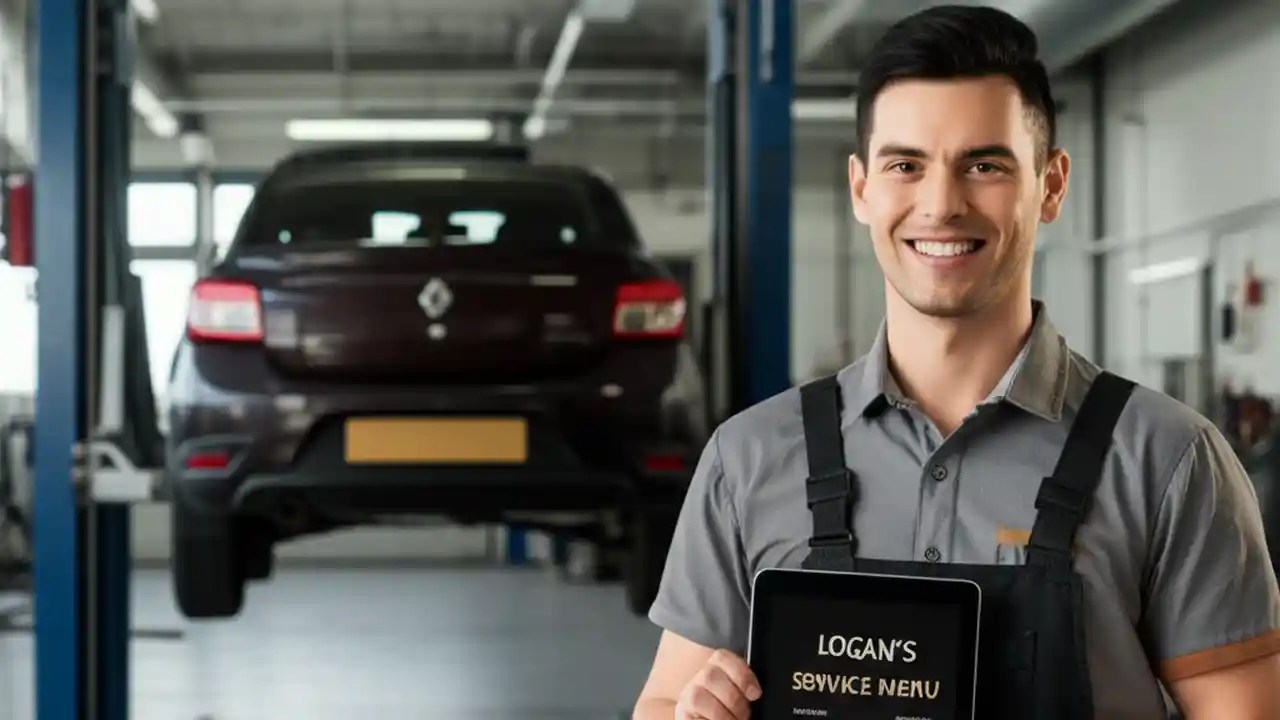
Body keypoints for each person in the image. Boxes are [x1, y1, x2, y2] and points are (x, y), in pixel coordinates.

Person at [632, 5, 1280, 719]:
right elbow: (664, 700)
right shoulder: (749, 460)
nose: (941, 204)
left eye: (984, 165)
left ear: (1052, 185)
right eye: (906, 165)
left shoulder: (1168, 461)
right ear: (860, 188)